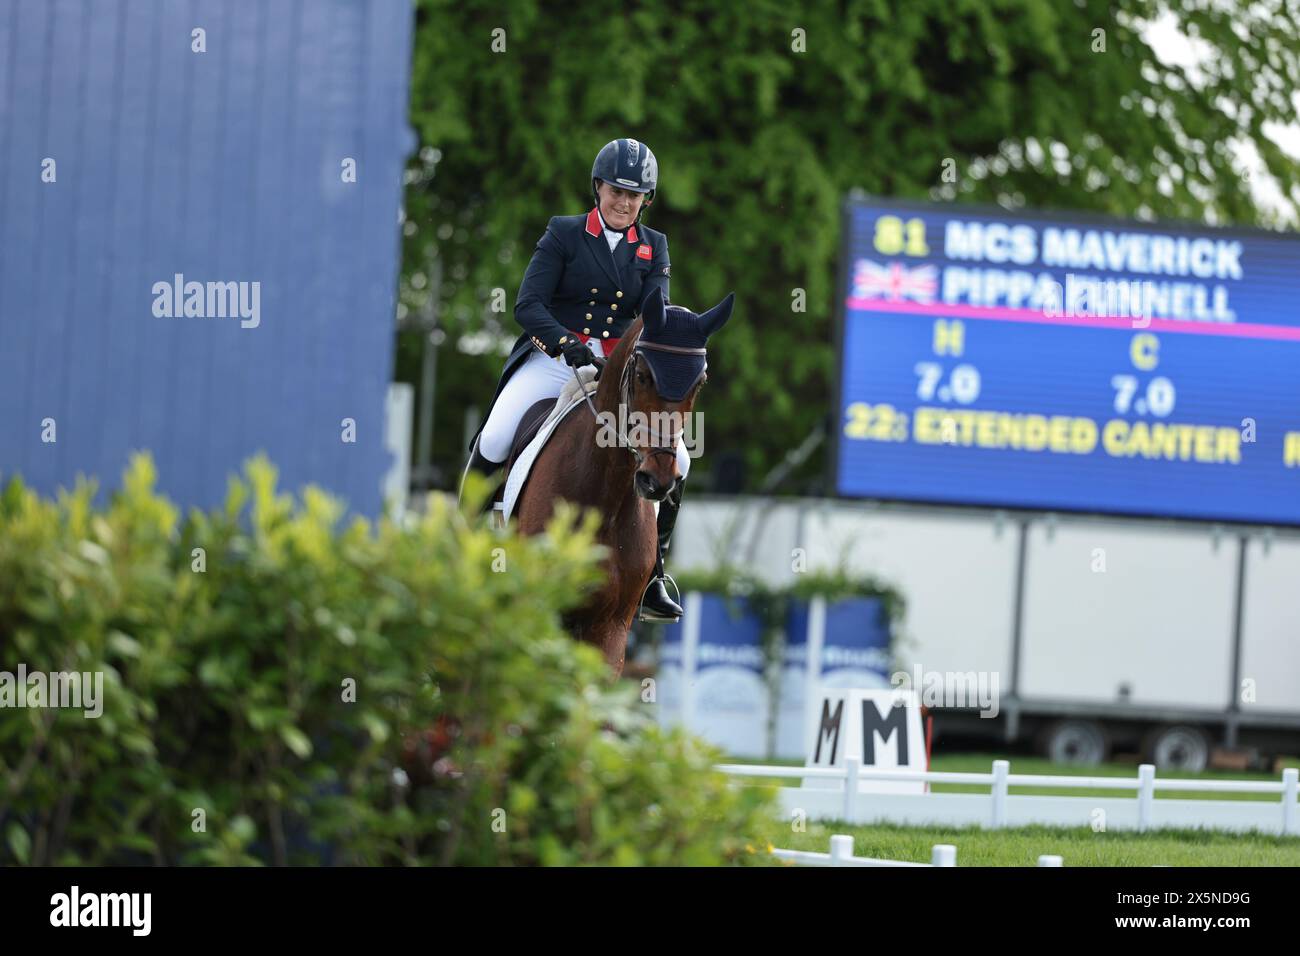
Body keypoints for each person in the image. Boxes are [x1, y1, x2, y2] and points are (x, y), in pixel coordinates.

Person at [463, 138, 687, 623]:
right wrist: (567, 345)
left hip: (618, 366)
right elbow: (528, 305)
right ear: (598, 188)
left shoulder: (654, 247)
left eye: (635, 194)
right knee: (498, 434)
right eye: (616, 190)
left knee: (681, 459)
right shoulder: (564, 233)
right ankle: (471, 541)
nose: (624, 202)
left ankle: (653, 575)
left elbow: (655, 314)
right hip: (554, 356)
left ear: (646, 199)